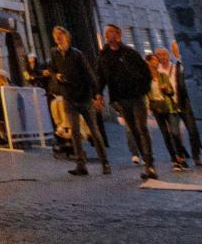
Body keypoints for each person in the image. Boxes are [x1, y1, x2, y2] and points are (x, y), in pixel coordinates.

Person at [96, 24, 158, 180]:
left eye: (111, 32)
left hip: (136, 96)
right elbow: (101, 76)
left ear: (119, 34)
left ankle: (150, 163)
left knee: (141, 127)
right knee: (133, 129)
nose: (108, 35)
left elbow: (146, 72)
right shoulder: (104, 55)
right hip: (121, 98)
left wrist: (143, 90)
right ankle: (145, 159)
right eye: (106, 33)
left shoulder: (129, 53)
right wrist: (98, 94)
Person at [48, 26, 108, 176]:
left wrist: (97, 94)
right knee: (74, 132)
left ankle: (105, 163)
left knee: (94, 130)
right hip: (69, 98)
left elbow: (89, 74)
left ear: (67, 37)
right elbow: (52, 69)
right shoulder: (55, 54)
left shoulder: (77, 54)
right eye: (55, 36)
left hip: (84, 97)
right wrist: (57, 76)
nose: (57, 38)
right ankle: (81, 165)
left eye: (60, 35)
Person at [149, 48, 190, 170]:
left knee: (175, 133)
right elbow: (147, 95)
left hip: (170, 107)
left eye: (155, 61)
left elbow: (171, 91)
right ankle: (174, 160)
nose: (155, 63)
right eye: (152, 61)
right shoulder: (146, 80)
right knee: (166, 134)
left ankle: (181, 156)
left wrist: (166, 89)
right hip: (157, 109)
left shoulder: (163, 75)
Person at [169, 41, 202, 164]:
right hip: (185, 103)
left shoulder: (191, 62)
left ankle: (200, 153)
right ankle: (196, 156)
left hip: (197, 101)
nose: (176, 52)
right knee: (192, 130)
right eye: (174, 50)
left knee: (199, 129)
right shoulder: (177, 65)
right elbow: (178, 86)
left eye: (177, 49)